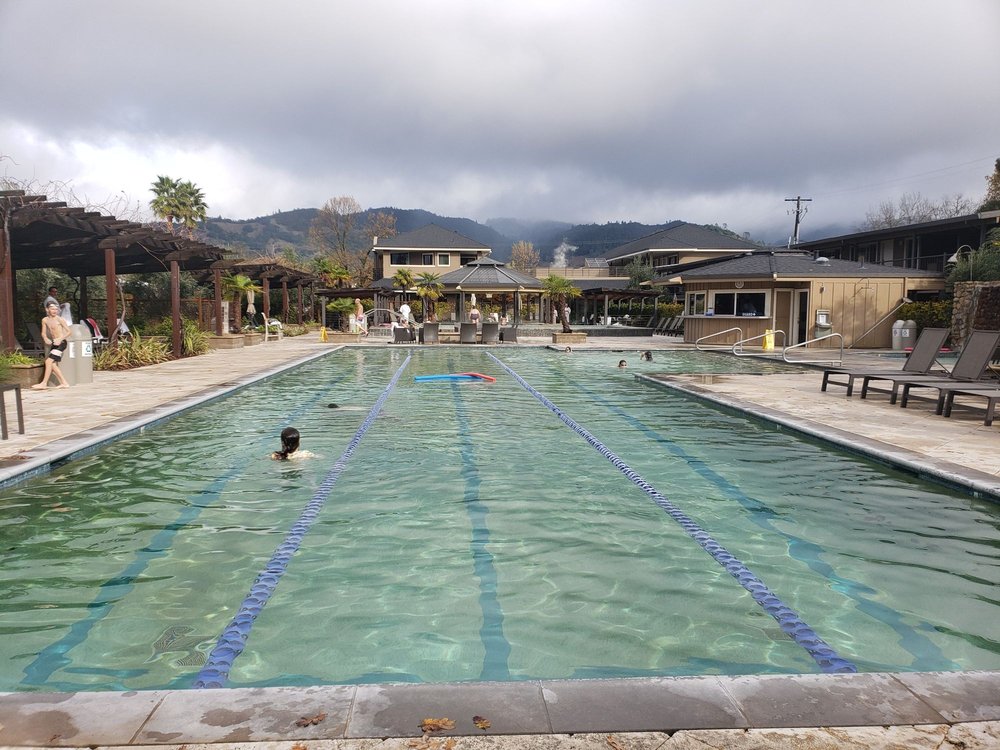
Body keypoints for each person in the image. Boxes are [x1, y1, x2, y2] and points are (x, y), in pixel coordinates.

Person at [32, 302, 71, 389]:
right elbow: (43, 333)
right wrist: (46, 338)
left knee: (48, 362)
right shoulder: (45, 320)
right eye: (53, 309)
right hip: (54, 343)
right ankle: (64, 383)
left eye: (56, 309)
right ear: (47, 309)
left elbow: (69, 332)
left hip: (61, 343)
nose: (55, 311)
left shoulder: (60, 319)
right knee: (52, 364)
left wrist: (60, 339)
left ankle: (44, 383)